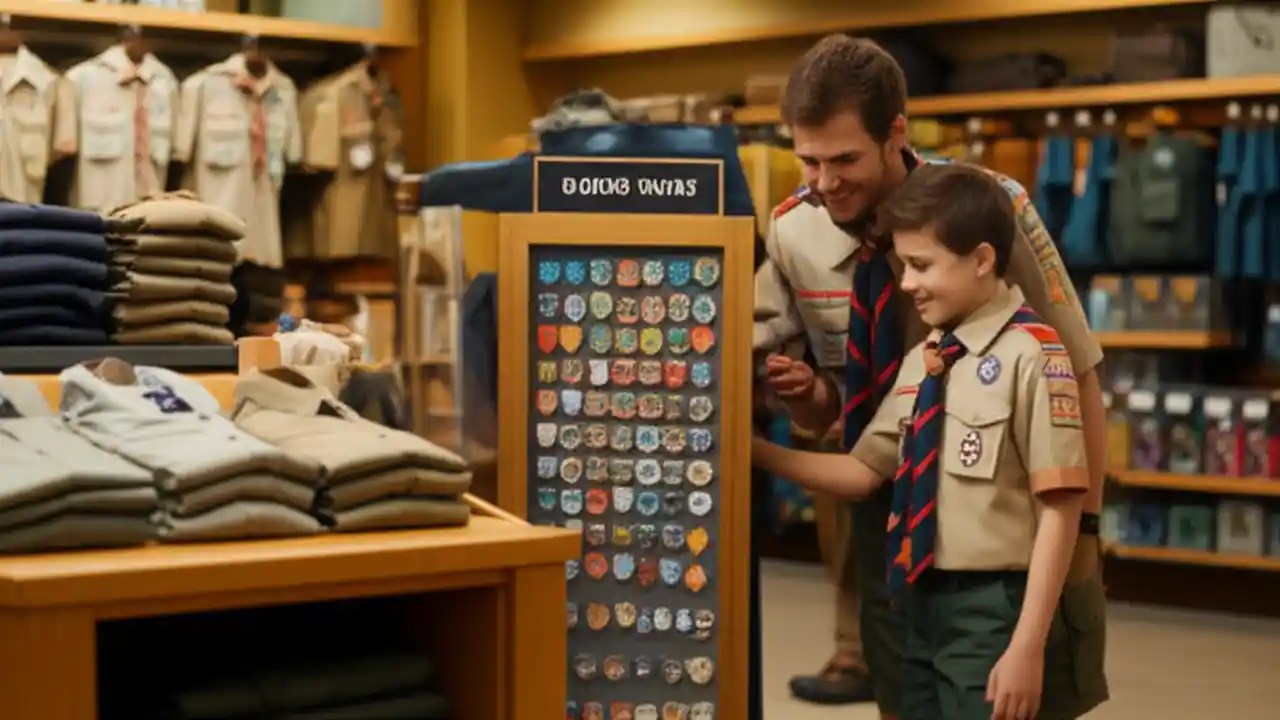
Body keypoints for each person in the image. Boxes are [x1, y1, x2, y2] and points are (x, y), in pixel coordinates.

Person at [753, 34, 1109, 718]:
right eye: (808, 161)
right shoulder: (794, 231)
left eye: (845, 159)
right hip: (883, 503)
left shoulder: (985, 206)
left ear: (896, 133)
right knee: (907, 689)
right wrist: (805, 400)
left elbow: (1078, 370)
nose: (825, 183)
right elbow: (832, 407)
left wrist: (1085, 532)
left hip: (997, 506)